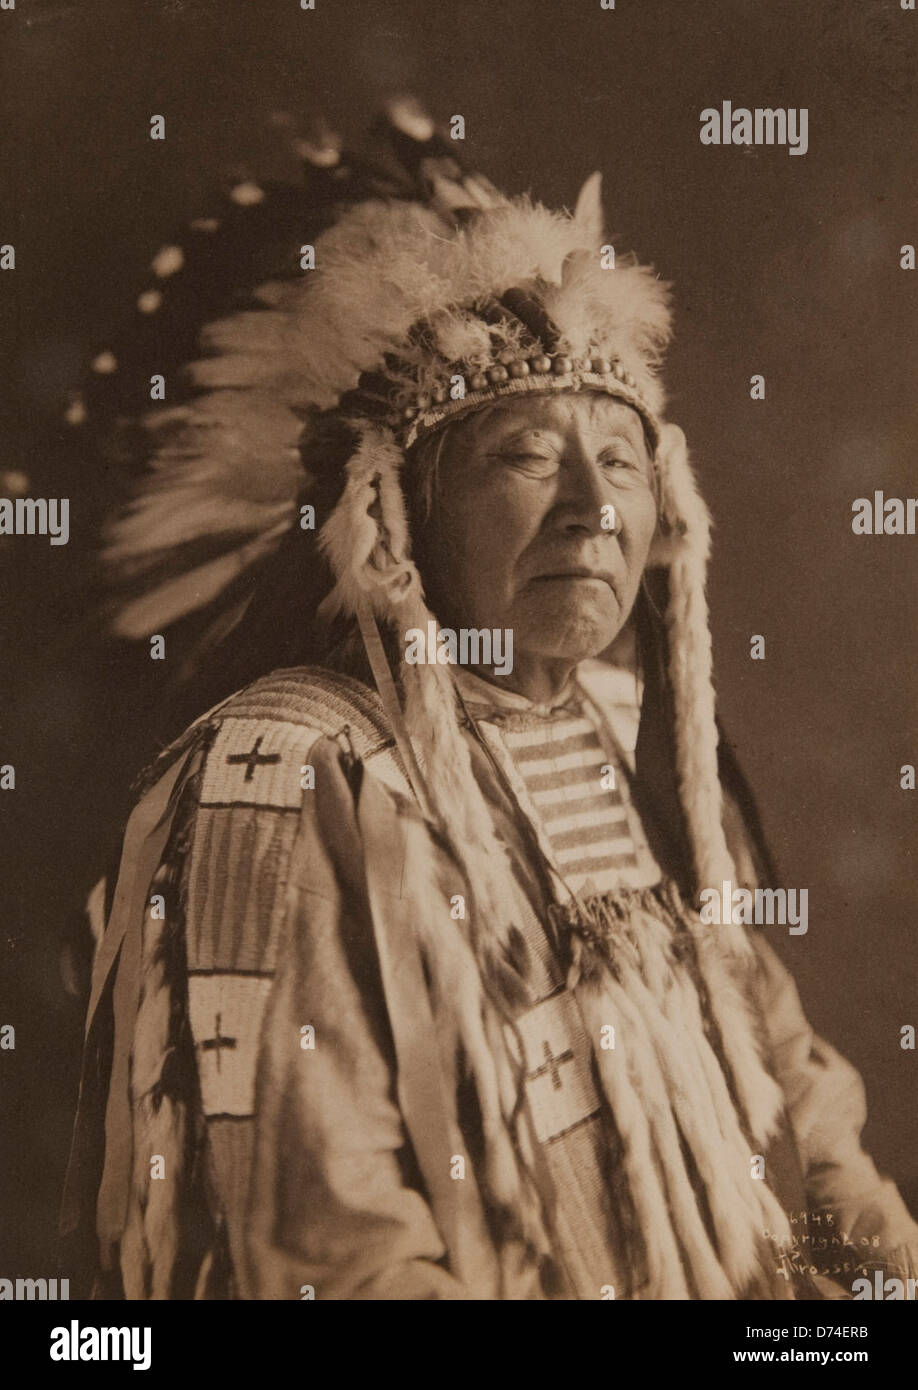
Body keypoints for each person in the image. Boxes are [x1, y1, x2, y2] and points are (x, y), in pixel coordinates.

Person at [61, 103, 918, 1300]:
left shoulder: (633, 738)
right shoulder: (297, 775)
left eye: (619, 460)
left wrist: (867, 1286)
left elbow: (788, 1089)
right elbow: (333, 1256)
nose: (592, 508)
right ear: (398, 517)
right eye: (523, 453)